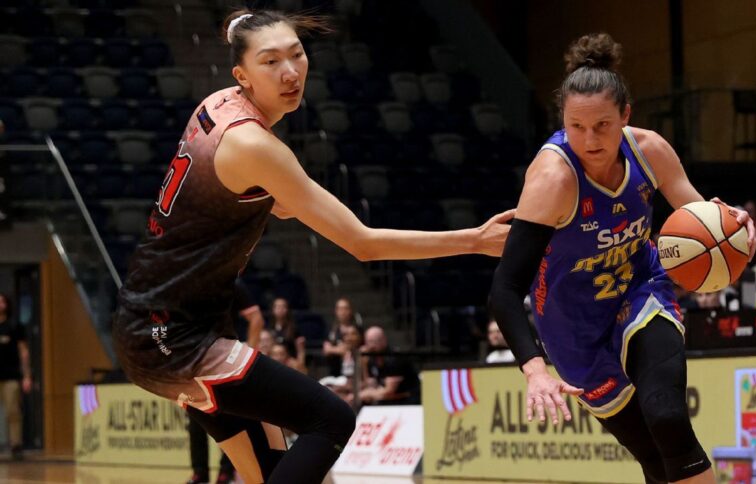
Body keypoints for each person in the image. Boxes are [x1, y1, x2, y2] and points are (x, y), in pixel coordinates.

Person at [111, 9, 512, 484]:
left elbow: (269, 202)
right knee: (332, 419)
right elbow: (363, 244)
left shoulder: (218, 104)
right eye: (271, 62)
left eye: (297, 55)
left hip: (157, 324)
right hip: (172, 338)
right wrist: (475, 239)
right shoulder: (255, 146)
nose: (290, 72)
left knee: (275, 472)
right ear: (243, 75)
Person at [489, 33, 755, 484]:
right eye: (577, 127)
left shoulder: (650, 151)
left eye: (603, 126)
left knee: (668, 419)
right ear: (562, 121)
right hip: (572, 329)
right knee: (651, 455)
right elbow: (505, 289)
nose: (589, 140)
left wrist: (731, 226)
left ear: (625, 116)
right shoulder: (553, 180)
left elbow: (700, 218)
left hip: (639, 289)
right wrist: (534, 370)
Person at [186, 279, 261, 484]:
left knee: (230, 418)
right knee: (195, 420)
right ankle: (199, 473)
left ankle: (225, 472)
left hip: (225, 361)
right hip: (197, 363)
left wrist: (248, 353)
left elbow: (256, 318)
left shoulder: (232, 284)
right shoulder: (188, 286)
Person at [0, 293, 30, 461]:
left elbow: (24, 352)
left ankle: (16, 445)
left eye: (2, 301)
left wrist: (26, 375)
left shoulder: (14, 326)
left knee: (13, 411)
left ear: (7, 305)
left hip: (11, 376)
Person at [358, 326, 421, 405]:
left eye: (374, 342)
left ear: (384, 341)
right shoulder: (372, 359)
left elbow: (389, 392)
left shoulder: (395, 359)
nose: (370, 346)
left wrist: (367, 394)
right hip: (389, 401)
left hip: (408, 401)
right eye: (368, 342)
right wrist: (364, 364)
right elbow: (371, 385)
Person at [323, 297, 358, 376]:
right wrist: (341, 350)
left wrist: (334, 349)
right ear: (336, 311)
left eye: (346, 308)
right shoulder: (331, 329)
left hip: (353, 373)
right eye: (340, 309)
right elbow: (326, 350)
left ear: (351, 310)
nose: (343, 312)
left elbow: (354, 347)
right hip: (334, 374)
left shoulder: (356, 329)